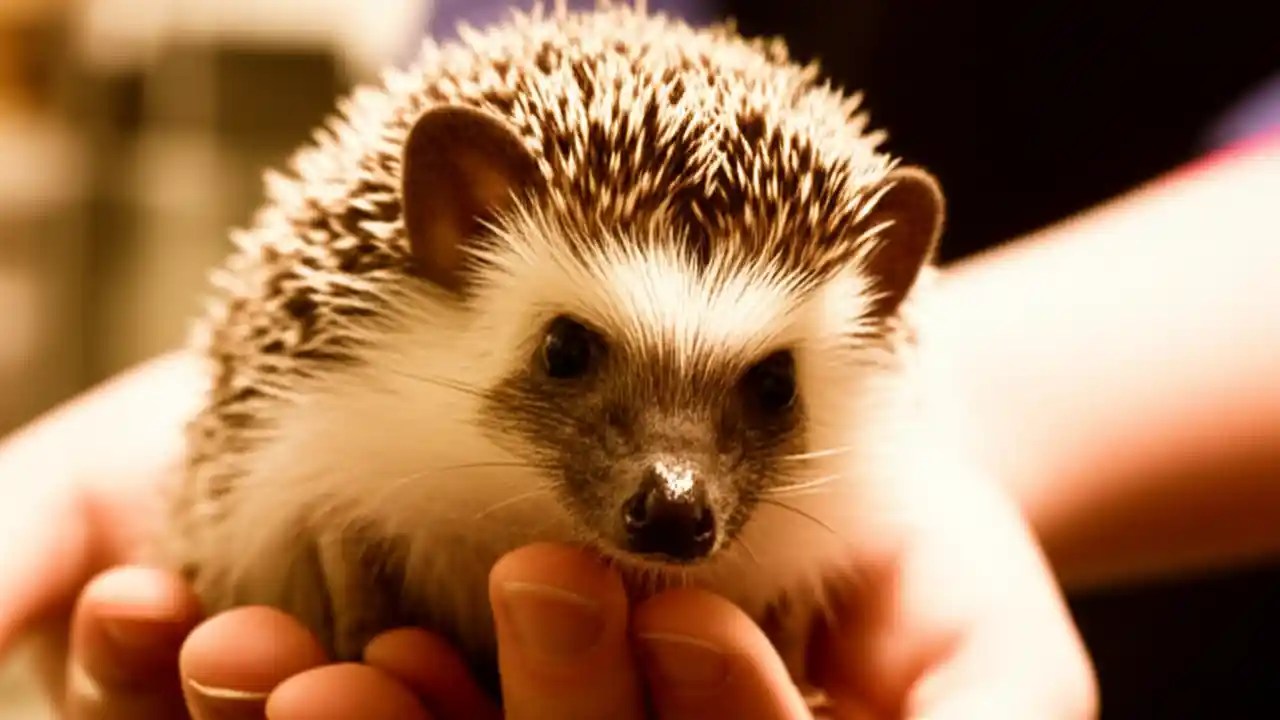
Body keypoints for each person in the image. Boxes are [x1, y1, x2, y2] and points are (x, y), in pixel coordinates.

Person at [0, 127, 1275, 719]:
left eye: (763, 389)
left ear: (875, 304)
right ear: (454, 238)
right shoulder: (357, 408)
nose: (676, 480)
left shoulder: (885, 469)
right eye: (571, 355)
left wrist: (997, 434)